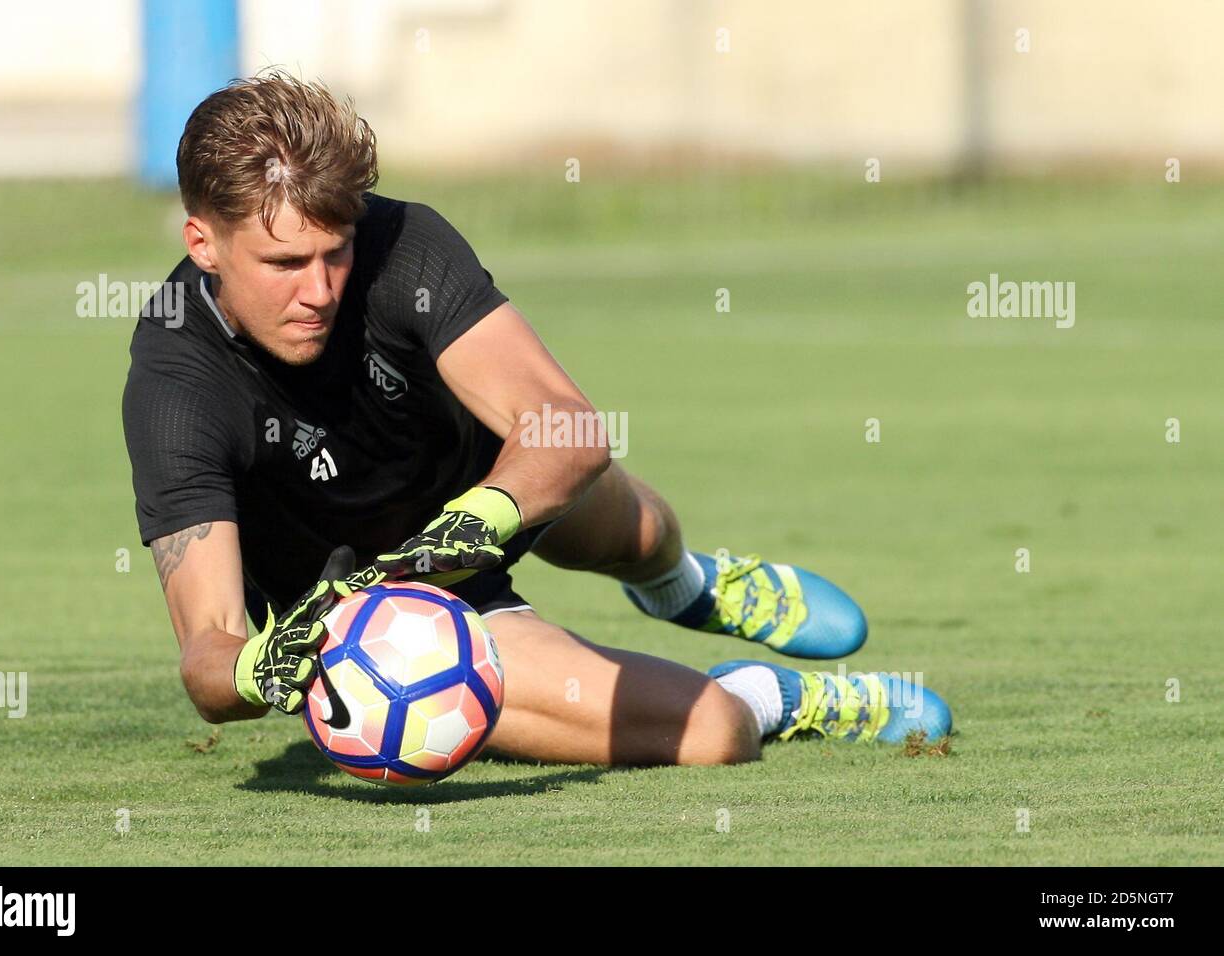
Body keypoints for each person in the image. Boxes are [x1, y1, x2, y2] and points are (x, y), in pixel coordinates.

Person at [122, 72, 951, 770]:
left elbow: (569, 428)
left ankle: (687, 583)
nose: (320, 289)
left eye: (334, 252)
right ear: (203, 243)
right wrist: (265, 666)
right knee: (713, 734)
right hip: (380, 618)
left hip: (489, 484)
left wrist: (479, 518)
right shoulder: (173, 380)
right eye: (284, 263)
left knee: (638, 526)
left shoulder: (404, 241)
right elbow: (206, 656)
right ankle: (773, 696)